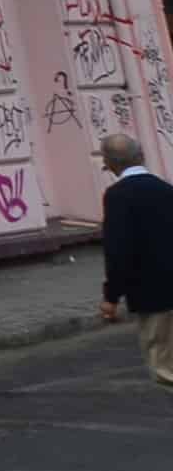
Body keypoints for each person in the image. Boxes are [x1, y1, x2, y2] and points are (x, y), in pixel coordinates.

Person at [99, 131, 173, 385]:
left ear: (109, 163)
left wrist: (111, 297)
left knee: (163, 366)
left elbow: (119, 251)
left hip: (153, 295)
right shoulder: (166, 189)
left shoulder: (117, 196)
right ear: (141, 156)